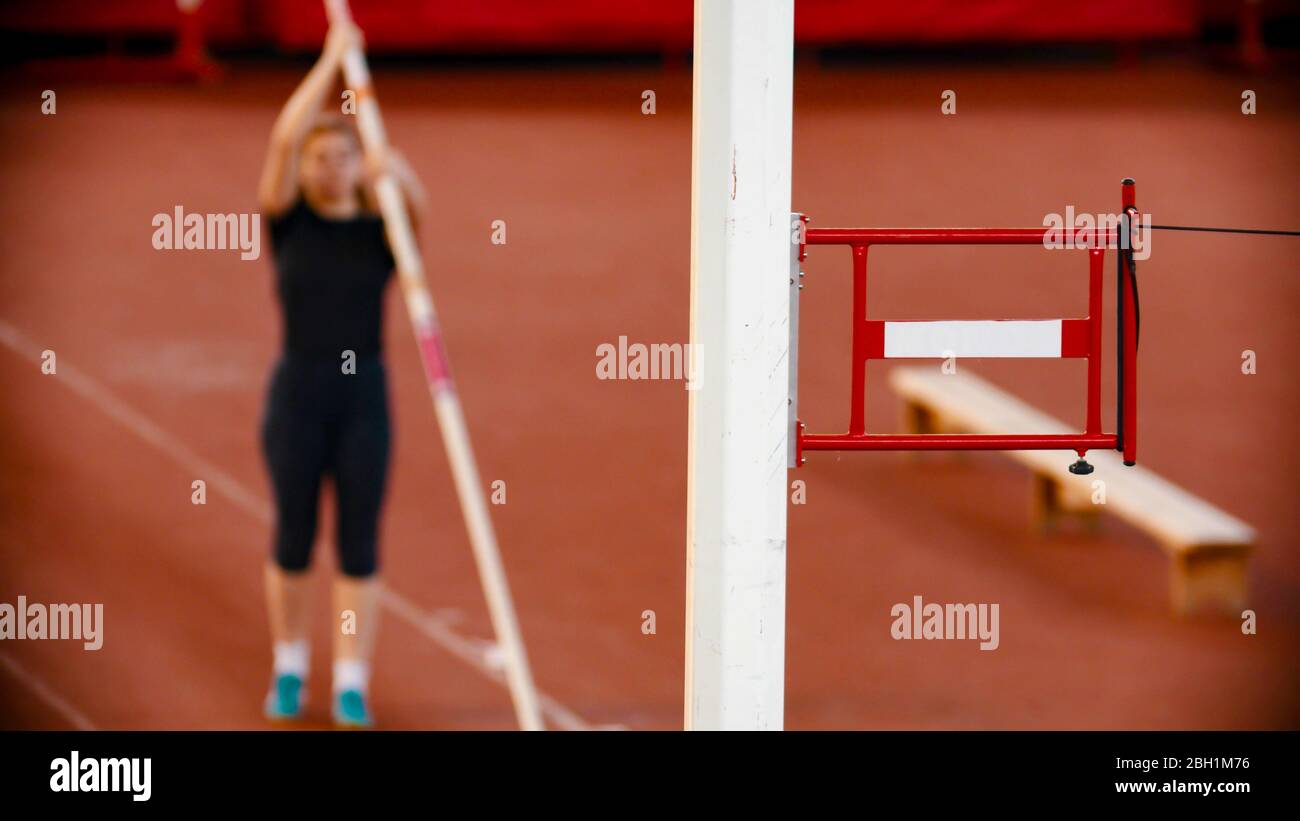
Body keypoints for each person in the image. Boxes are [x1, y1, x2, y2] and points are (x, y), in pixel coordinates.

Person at [256, 21, 425, 728]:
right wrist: (329, 62)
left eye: (341, 158)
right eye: (318, 158)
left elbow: (416, 210)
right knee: (293, 534)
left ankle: (352, 679)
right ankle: (290, 665)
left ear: (358, 166)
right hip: (298, 396)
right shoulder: (289, 221)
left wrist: (397, 170)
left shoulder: (381, 229)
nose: (327, 167)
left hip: (363, 400)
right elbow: (281, 140)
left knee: (359, 540)